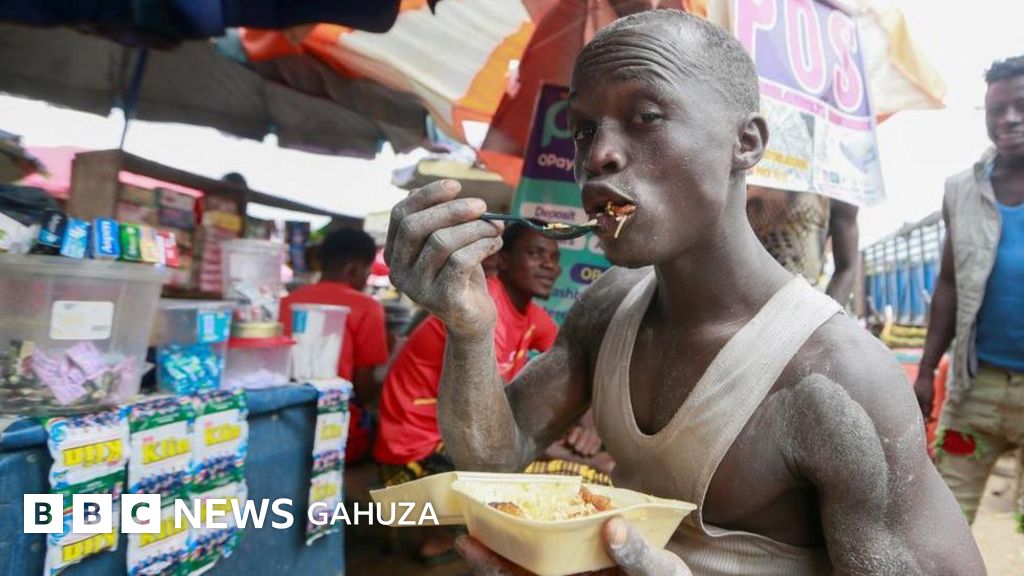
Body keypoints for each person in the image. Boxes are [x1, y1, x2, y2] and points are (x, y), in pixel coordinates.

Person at [384, 10, 983, 575]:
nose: (598, 155)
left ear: (745, 143)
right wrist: (468, 330)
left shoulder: (838, 380)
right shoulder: (610, 305)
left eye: (645, 116)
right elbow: (495, 457)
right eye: (583, 129)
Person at [914, 54, 1024, 528]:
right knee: (948, 523)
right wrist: (924, 372)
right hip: (976, 389)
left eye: (1020, 106)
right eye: (996, 109)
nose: (1009, 119)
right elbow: (949, 284)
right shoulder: (962, 191)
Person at [280, 227, 390, 462]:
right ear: (355, 268)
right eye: (367, 272)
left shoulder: (288, 301)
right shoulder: (367, 307)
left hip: (284, 415)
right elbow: (363, 386)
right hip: (334, 426)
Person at [747, 186, 860, 305]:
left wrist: (824, 315)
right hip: (744, 305)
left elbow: (846, 267)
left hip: (805, 303)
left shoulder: (833, 183)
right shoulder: (742, 175)